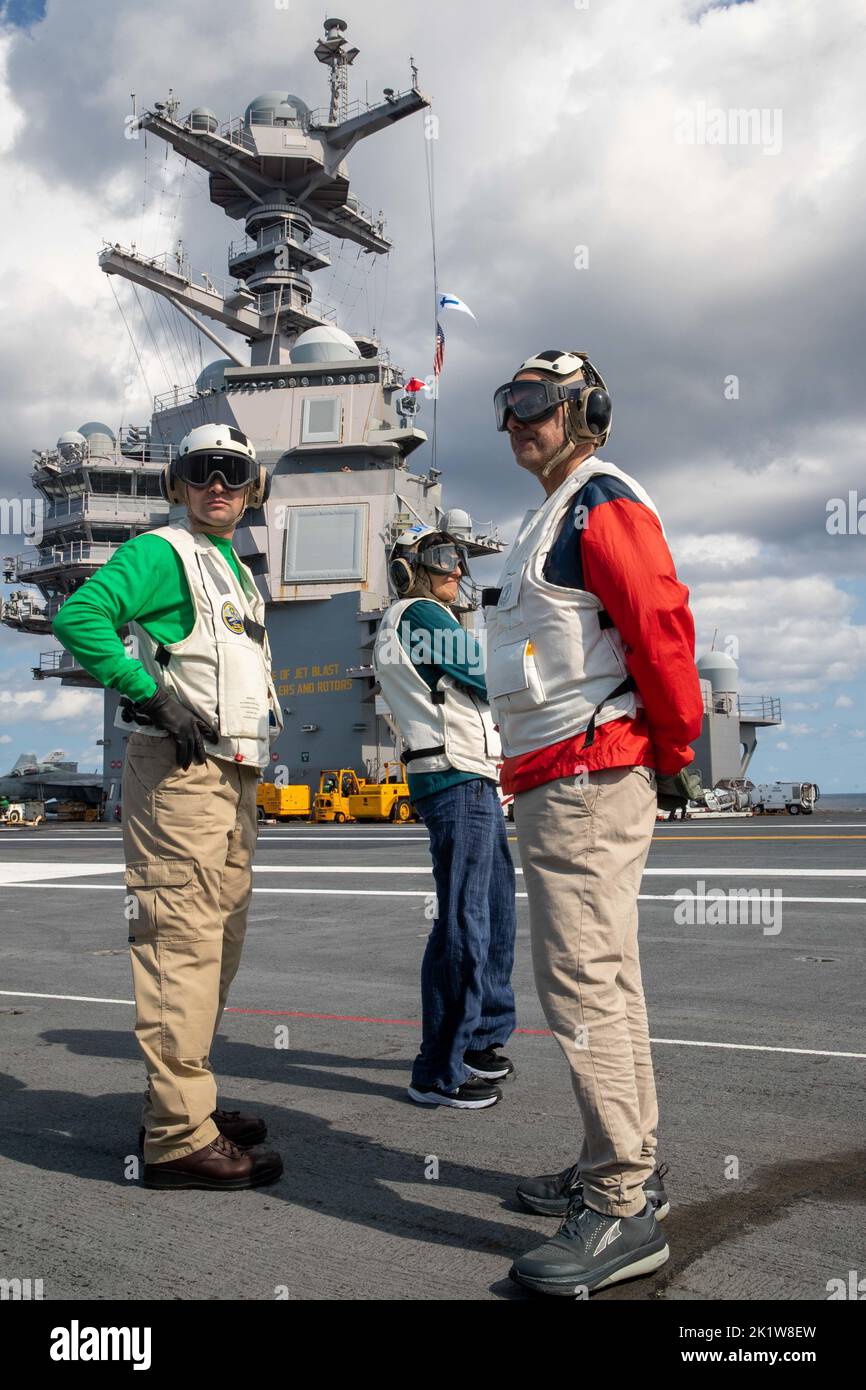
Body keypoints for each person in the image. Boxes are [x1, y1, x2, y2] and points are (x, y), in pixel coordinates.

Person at [485, 349, 704, 1295]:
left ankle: (621, 1207)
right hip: (560, 773)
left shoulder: (599, 500)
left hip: (587, 771)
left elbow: (660, 624)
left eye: (535, 402)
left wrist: (679, 748)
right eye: (508, 404)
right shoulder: (554, 511)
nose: (516, 419)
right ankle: (622, 1164)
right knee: (605, 979)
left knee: (581, 985)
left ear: (587, 410)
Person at [52, 423, 284, 1191]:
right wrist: (152, 696)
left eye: (233, 472)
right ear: (178, 484)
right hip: (183, 775)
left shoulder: (235, 571)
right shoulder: (163, 552)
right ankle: (178, 1140)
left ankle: (187, 1102)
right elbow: (80, 618)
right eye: (200, 471)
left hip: (233, 779)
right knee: (180, 947)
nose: (217, 484)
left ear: (252, 487)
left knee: (215, 950)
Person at [373, 526, 517, 1109]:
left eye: (459, 559)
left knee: (496, 911)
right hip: (455, 780)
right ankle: (438, 1069)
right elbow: (491, 676)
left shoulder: (439, 619)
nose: (456, 569)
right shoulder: (420, 615)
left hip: (476, 780)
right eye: (441, 560)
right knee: (465, 921)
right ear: (409, 570)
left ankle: (481, 1037)